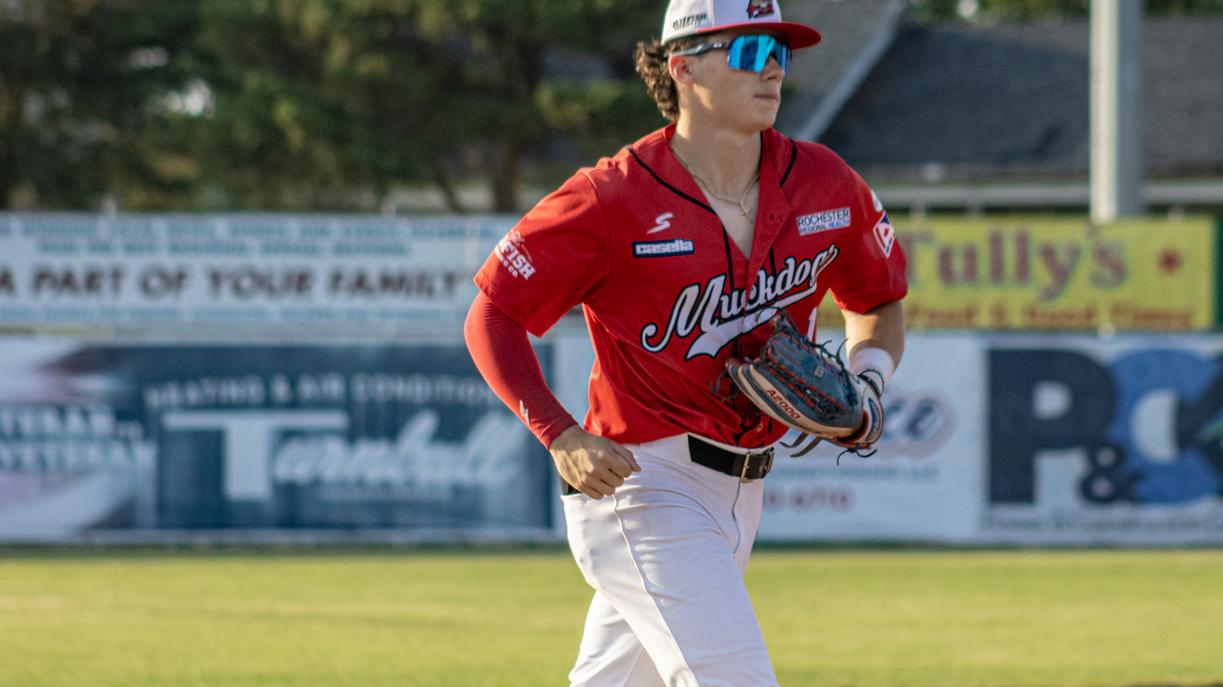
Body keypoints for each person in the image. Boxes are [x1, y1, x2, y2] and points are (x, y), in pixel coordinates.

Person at [465, 0, 907, 684]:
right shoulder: (610, 197)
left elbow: (876, 297)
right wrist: (558, 434)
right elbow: (492, 315)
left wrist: (868, 380)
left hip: (743, 489)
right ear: (683, 68)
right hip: (641, 483)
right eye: (750, 52)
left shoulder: (825, 182)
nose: (773, 73)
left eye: (780, 54)